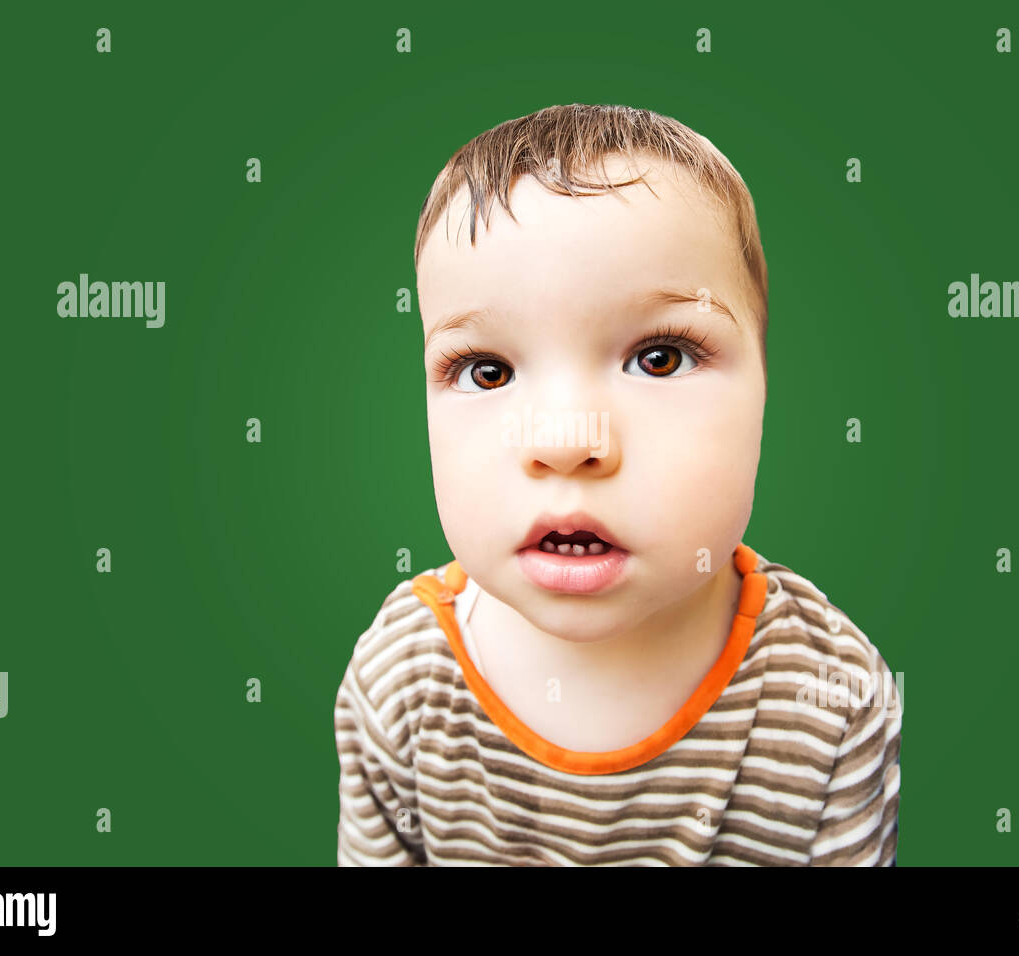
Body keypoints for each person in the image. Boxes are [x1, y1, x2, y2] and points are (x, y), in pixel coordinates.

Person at [334, 103, 901, 865]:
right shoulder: (400, 677)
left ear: (770, 389)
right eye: (487, 371)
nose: (566, 444)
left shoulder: (828, 696)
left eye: (660, 357)